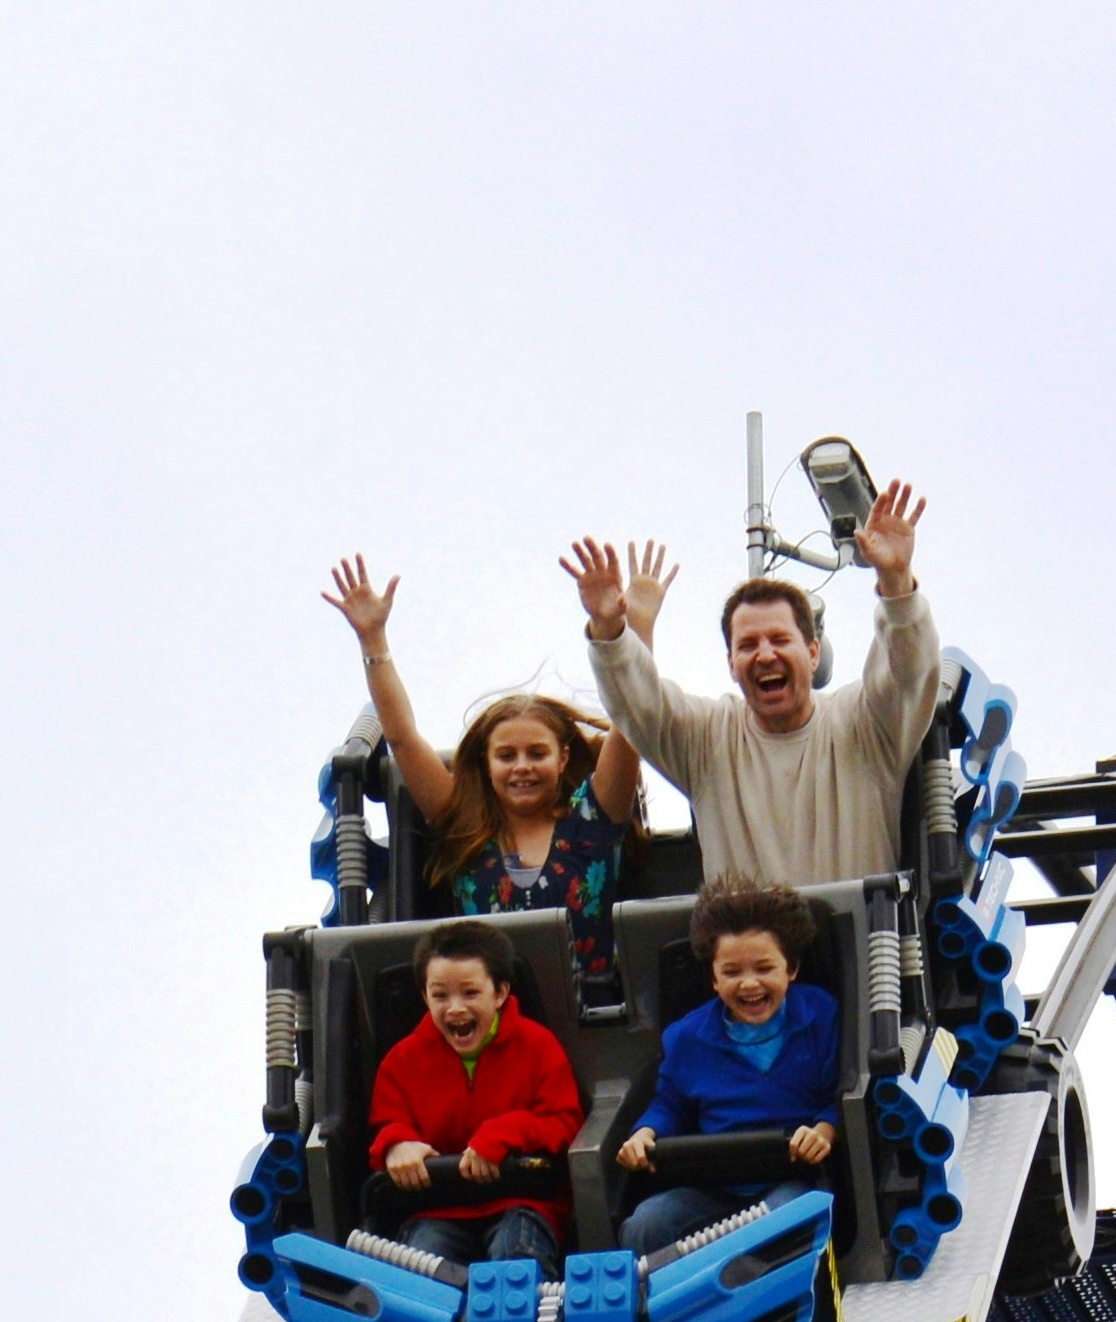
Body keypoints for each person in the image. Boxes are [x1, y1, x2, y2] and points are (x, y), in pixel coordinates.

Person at [322, 553, 675, 991]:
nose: (522, 767)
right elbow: (403, 737)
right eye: (507, 756)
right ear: (486, 766)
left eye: (536, 753)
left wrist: (632, 628)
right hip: (494, 1022)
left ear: (562, 759)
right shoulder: (468, 832)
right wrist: (373, 640)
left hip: (592, 1015)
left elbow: (631, 718)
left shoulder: (593, 821)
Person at [562, 481, 938, 883]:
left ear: (813, 653)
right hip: (747, 945)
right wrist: (609, 628)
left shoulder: (866, 725)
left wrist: (897, 584)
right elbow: (638, 704)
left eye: (779, 639)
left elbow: (909, 672)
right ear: (730, 663)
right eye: (747, 644)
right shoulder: (708, 738)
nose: (764, 655)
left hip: (863, 943)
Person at [616, 879, 842, 1257]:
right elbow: (669, 1104)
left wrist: (824, 1130)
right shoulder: (687, 1037)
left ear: (791, 969)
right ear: (714, 979)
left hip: (793, 1178)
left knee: (783, 1218)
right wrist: (645, 1134)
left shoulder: (819, 1014)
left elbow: (840, 1090)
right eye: (732, 972)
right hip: (715, 1184)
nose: (749, 983)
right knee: (645, 1225)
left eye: (764, 968)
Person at [365, 919, 584, 1275]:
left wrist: (504, 1134)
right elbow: (385, 1126)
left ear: (499, 993)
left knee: (516, 1260)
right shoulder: (401, 1062)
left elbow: (564, 1122)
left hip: (521, 1202)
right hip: (437, 1210)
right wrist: (396, 1145)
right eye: (440, 995)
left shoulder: (537, 1046)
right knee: (423, 1269)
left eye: (469, 993)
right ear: (424, 997)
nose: (455, 1009)